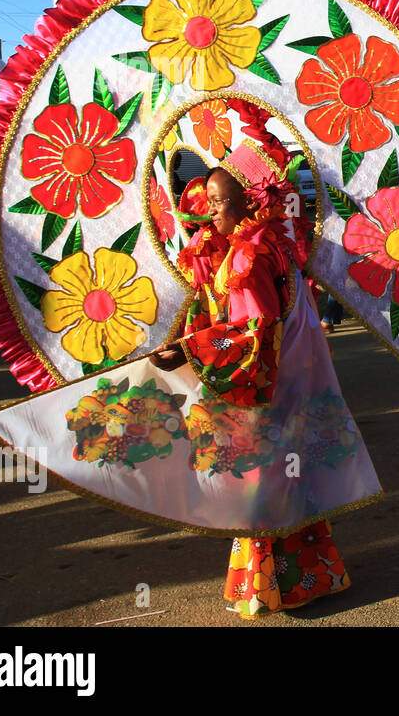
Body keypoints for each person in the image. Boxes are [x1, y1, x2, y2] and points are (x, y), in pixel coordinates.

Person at [150, 140, 378, 618]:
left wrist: (191, 351)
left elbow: (255, 333)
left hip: (265, 389)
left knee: (259, 483)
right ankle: (313, 574)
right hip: (290, 386)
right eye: (207, 202)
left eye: (217, 203)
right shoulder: (273, 243)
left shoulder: (248, 259)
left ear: (250, 203)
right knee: (289, 481)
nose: (206, 212)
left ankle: (268, 585)